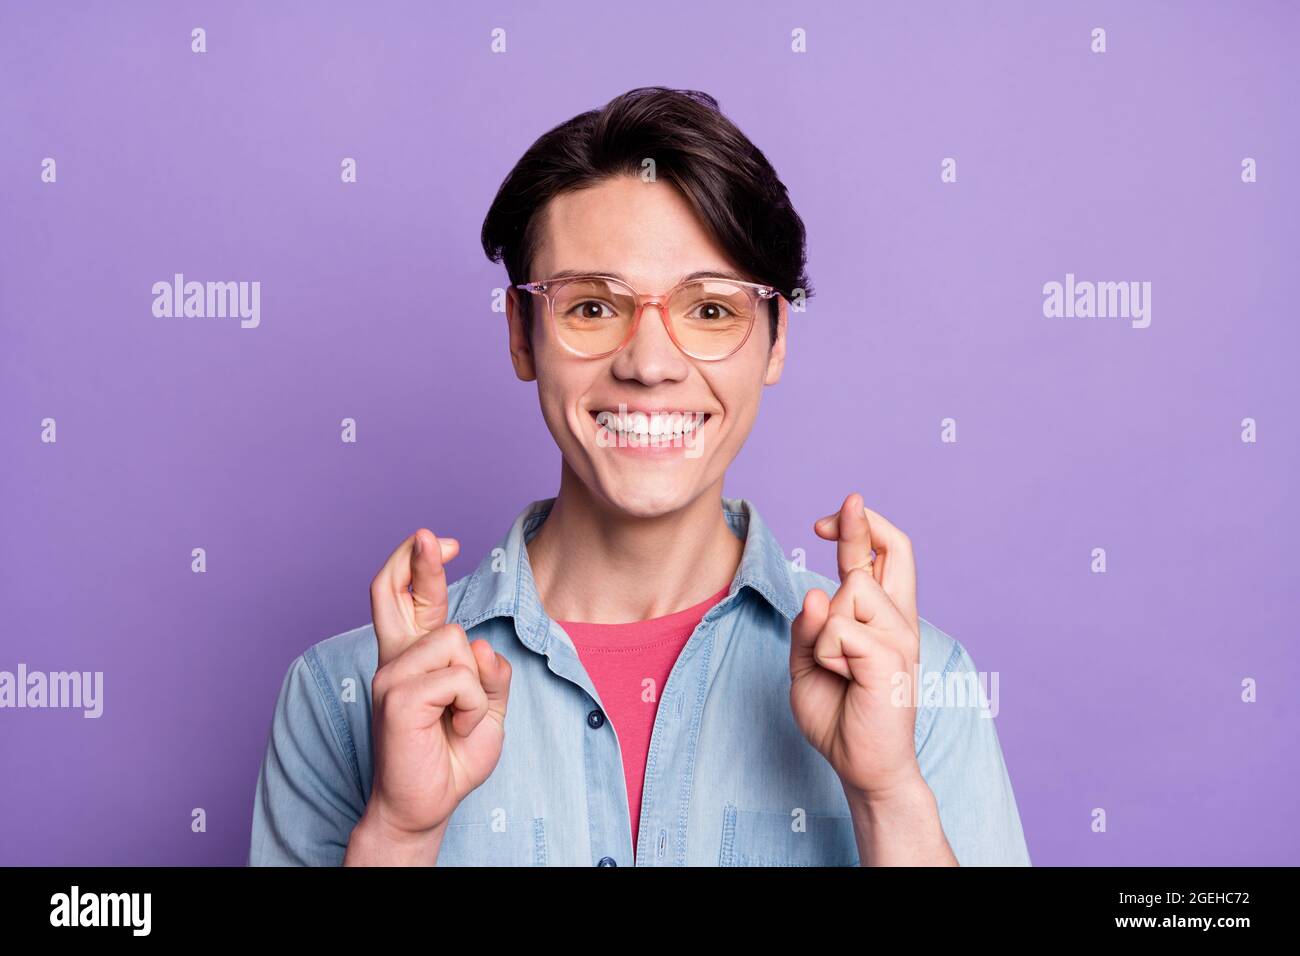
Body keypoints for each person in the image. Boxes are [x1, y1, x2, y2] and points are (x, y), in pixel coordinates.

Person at [248, 86, 1031, 867]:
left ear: (777, 337)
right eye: (590, 307)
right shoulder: (343, 694)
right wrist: (400, 833)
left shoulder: (916, 685)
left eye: (712, 310)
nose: (650, 364)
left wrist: (887, 795)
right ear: (521, 335)